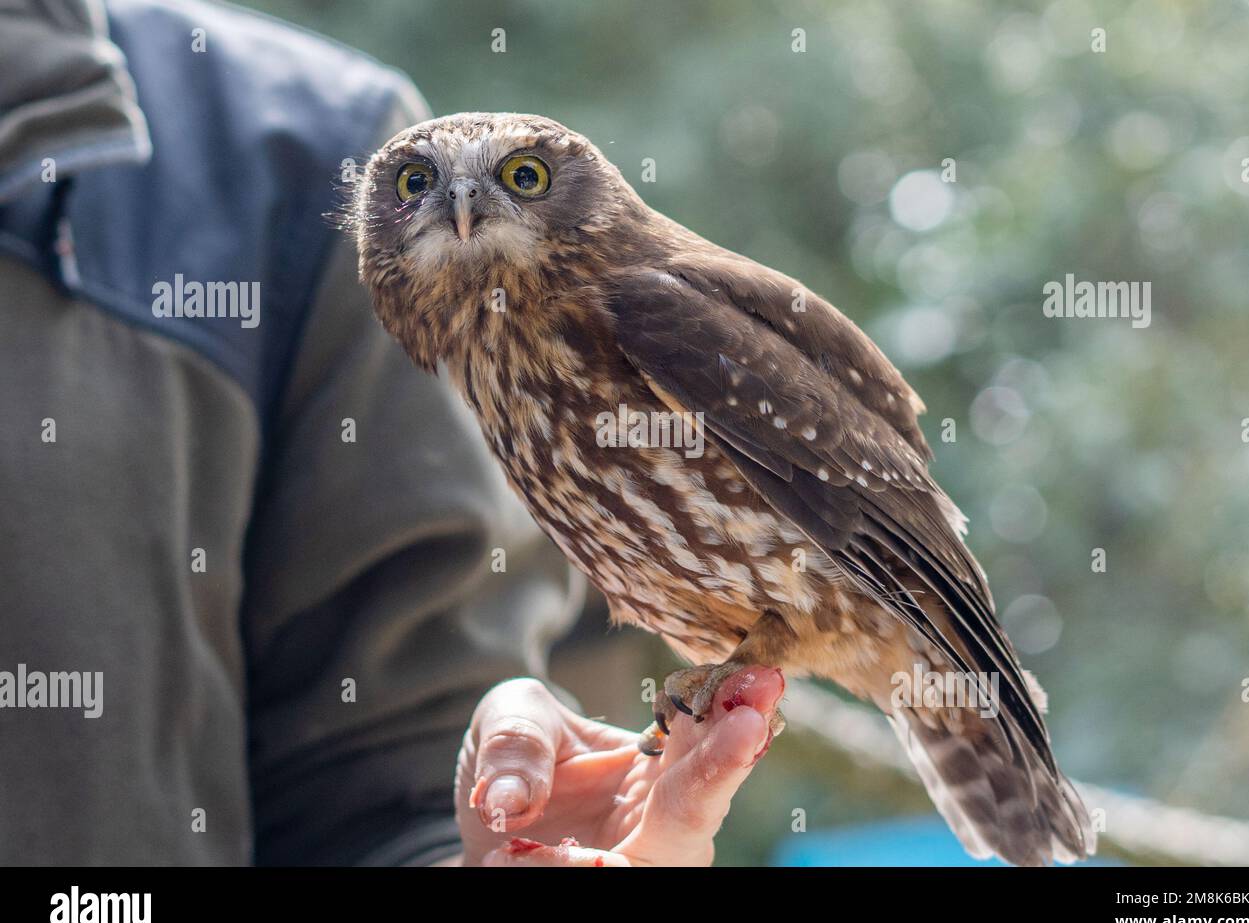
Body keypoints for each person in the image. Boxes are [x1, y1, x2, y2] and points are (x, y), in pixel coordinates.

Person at [0, 0, 777, 866]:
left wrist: (498, 847)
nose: (466, 212)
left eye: (518, 180)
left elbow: (387, 783)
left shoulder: (286, 146)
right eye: (421, 190)